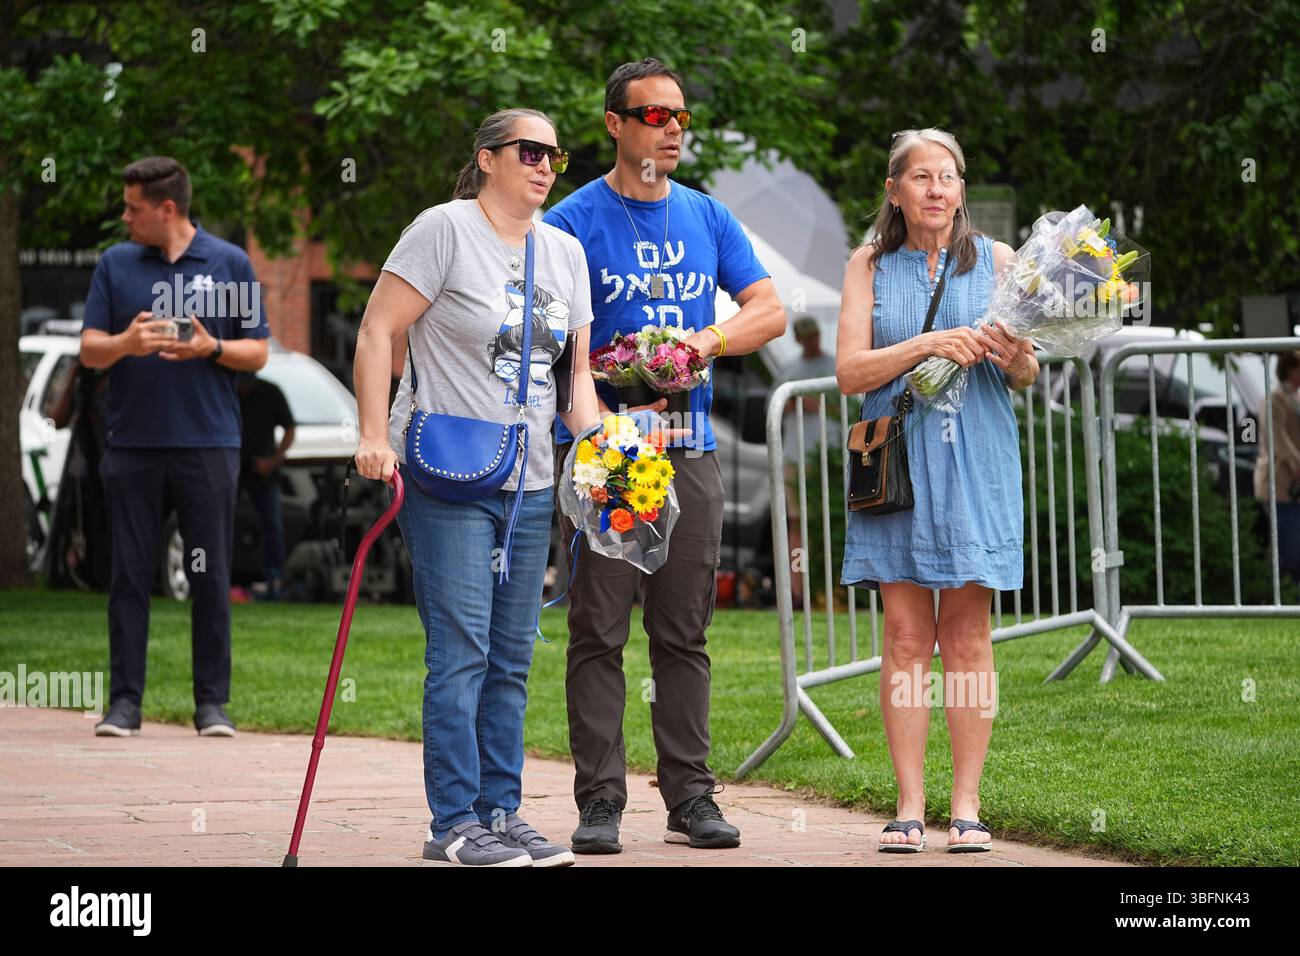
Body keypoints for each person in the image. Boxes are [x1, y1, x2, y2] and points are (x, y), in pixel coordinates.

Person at [544, 57, 786, 853]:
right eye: (654, 115)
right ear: (615, 124)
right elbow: (545, 341)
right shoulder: (572, 222)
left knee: (683, 632)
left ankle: (690, 797)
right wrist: (609, 382)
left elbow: (769, 310)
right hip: (606, 452)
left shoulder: (708, 217)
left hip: (691, 447)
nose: (672, 128)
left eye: (681, 116)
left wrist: (698, 344)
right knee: (599, 631)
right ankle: (601, 802)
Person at [352, 108, 605, 867]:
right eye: (530, 151)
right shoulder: (443, 230)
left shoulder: (564, 252)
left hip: (531, 481)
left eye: (555, 156)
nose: (545, 165)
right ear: (488, 158)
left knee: (511, 655)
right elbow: (375, 331)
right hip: (447, 469)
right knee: (460, 651)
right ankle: (453, 822)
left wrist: (608, 451)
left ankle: (502, 812)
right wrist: (370, 435)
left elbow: (577, 379)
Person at [835, 129, 1039, 853]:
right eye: (920, 177)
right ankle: (908, 805)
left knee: (968, 637)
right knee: (905, 637)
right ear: (894, 190)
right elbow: (851, 373)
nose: (935, 189)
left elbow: (1025, 375)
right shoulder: (868, 264)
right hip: (897, 466)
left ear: (961, 189)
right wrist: (927, 343)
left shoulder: (1000, 260)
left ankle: (968, 807)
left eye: (947, 177)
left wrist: (1016, 357)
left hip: (977, 462)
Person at [81, 156, 270, 738]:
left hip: (208, 445)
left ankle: (212, 705)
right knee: (129, 575)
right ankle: (124, 705)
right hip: (132, 444)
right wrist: (126, 341)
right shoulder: (116, 264)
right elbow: (89, 350)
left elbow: (258, 353)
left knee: (210, 575)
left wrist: (211, 348)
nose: (124, 216)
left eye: (132, 207)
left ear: (167, 209)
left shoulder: (229, 262)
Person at [775, 315, 839, 608]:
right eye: (806, 337)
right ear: (799, 340)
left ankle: (832, 588)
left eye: (814, 335)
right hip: (796, 457)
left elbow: (851, 403)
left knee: (831, 520)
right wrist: (799, 403)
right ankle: (798, 591)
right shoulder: (789, 370)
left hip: (833, 455)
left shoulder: (834, 365)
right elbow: (774, 407)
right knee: (798, 521)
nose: (812, 341)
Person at [236, 371, 295, 599]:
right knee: (222, 525)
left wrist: (275, 460)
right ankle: (226, 578)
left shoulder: (270, 392)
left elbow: (289, 429)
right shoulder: (227, 392)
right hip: (231, 468)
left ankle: (274, 579)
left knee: (272, 526)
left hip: (264, 470)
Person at [1253, 350, 1300, 583]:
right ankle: (1285, 598)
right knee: (1289, 549)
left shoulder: (1293, 397)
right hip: (1280, 486)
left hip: (1292, 488)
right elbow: (1277, 440)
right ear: (1291, 370)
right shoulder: (1274, 399)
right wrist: (1297, 464)